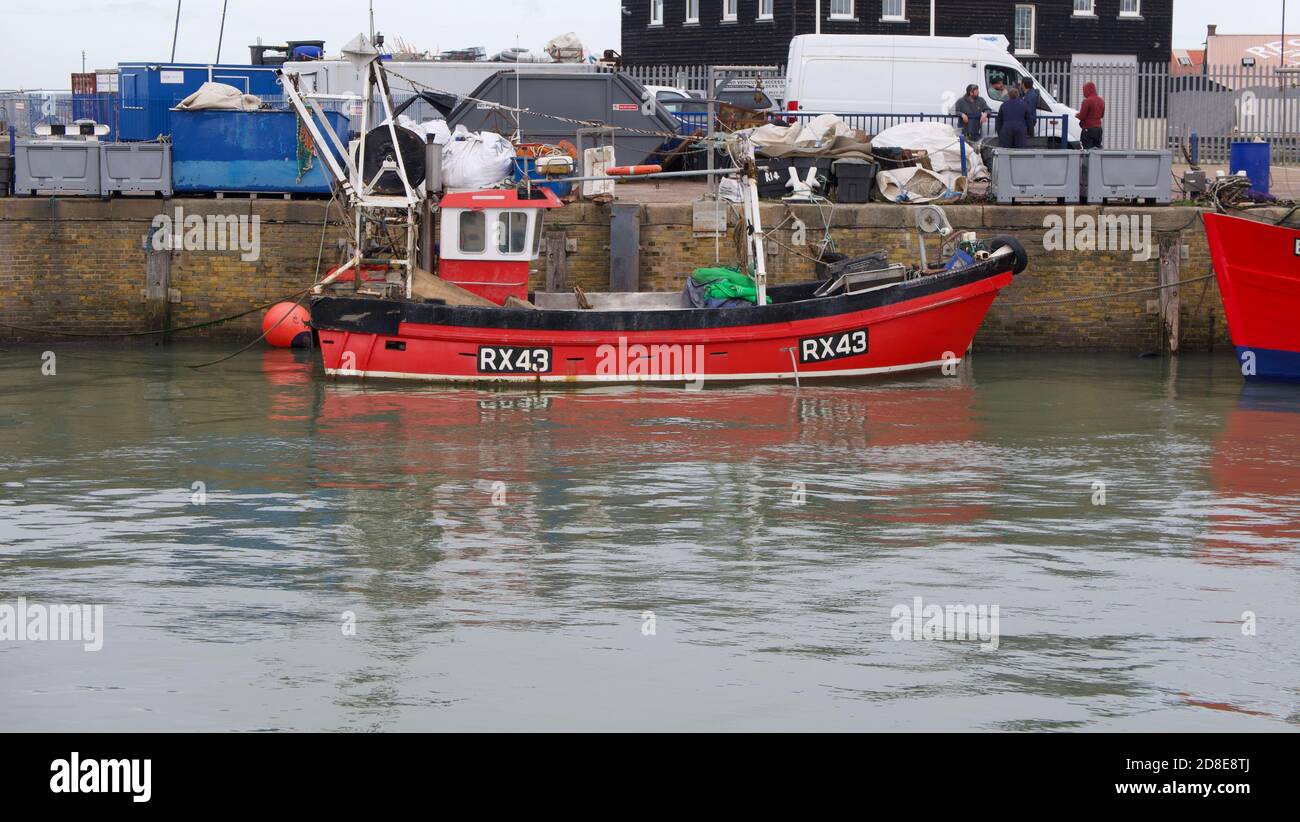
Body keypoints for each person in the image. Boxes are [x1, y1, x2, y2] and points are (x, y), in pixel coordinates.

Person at [1077, 81, 1105, 149]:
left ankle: (1088, 160)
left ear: (1088, 90)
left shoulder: (1086, 101)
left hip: (1088, 129)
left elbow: (1082, 116)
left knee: (1087, 150)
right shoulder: (1101, 101)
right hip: (1098, 129)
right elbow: (1102, 115)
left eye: (1084, 90)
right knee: (1097, 149)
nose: (1083, 93)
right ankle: (1096, 160)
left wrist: (1077, 115)